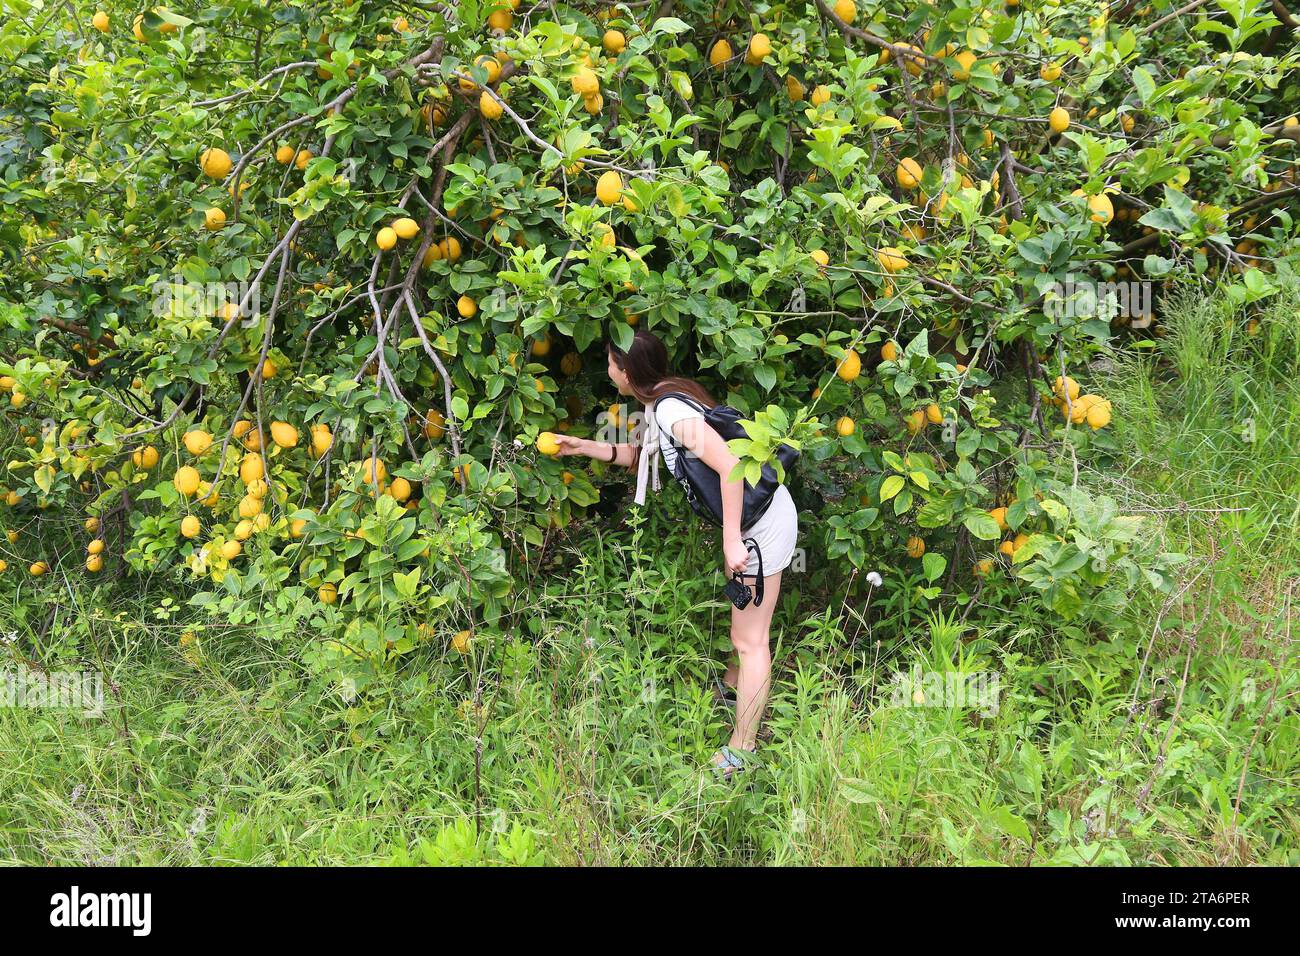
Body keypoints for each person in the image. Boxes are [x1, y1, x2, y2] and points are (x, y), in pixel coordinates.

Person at [553, 330, 798, 777]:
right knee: (742, 626)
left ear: (625, 372)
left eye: (609, 362)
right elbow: (647, 457)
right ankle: (730, 693)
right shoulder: (665, 401)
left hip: (761, 523)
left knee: (751, 640)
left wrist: (730, 539)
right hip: (752, 520)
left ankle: (740, 753)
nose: (607, 370)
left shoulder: (668, 409)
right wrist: (583, 446)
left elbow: (729, 467)